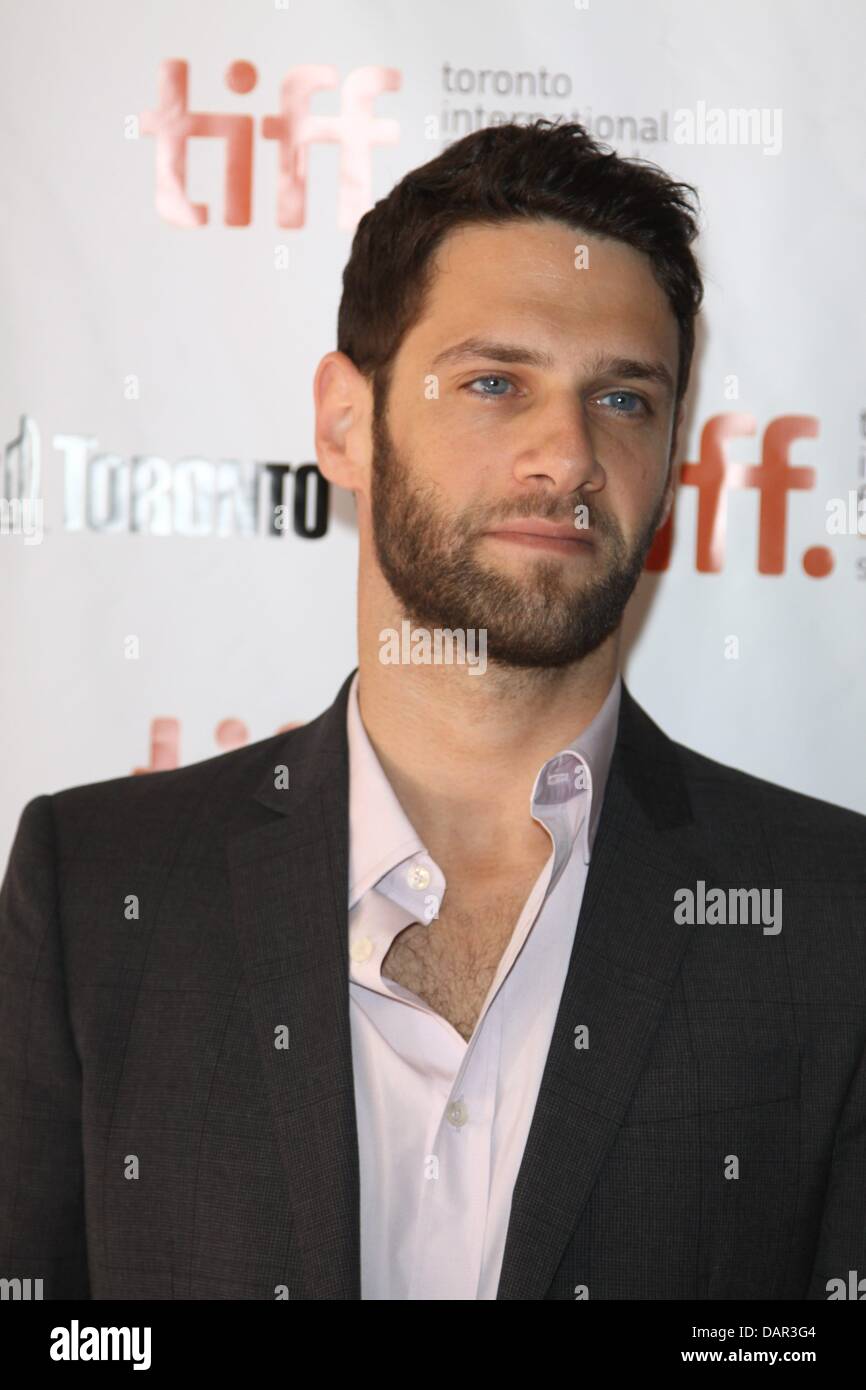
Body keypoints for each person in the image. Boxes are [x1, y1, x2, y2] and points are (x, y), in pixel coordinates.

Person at [1, 120, 864, 1302]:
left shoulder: (828, 915)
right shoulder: (95, 888)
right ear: (345, 423)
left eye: (620, 397)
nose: (564, 455)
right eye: (493, 382)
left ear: (672, 453)